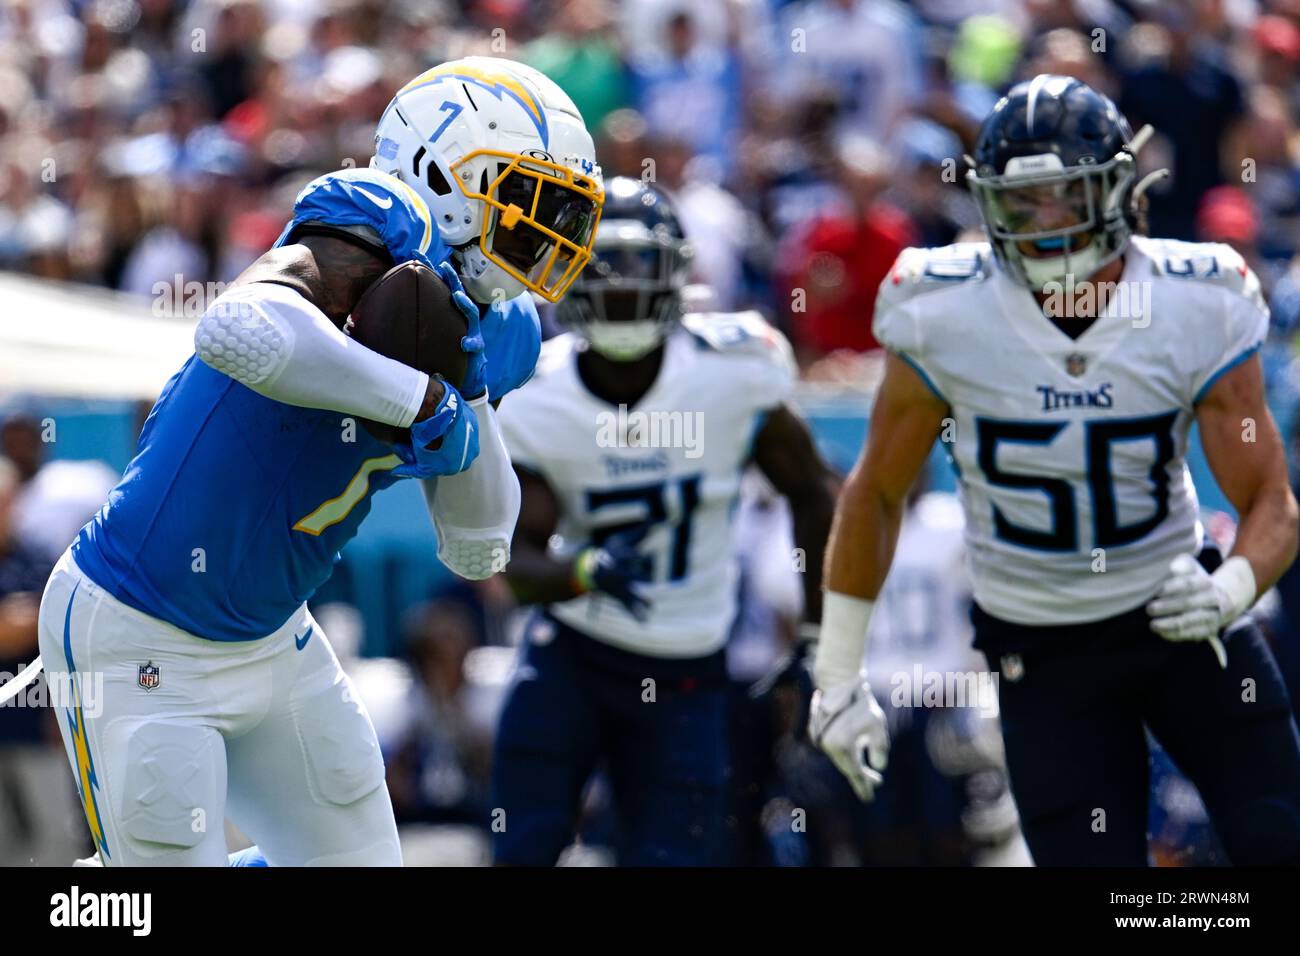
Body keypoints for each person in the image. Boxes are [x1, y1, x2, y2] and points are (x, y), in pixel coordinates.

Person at [36, 56, 604, 867]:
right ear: (443, 174)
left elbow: (480, 544)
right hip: (141, 622)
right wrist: (423, 402)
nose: (545, 231)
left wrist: (469, 393)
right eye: (526, 200)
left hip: (273, 638)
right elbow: (237, 331)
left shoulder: (503, 330)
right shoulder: (374, 225)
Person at [809, 74, 1300, 865]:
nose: (1044, 227)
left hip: (1183, 619)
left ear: (1117, 192)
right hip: (1040, 649)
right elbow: (875, 493)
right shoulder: (942, 309)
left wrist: (1231, 587)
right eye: (1021, 204)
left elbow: (1270, 499)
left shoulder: (1195, 299)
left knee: (1279, 839)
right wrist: (836, 672)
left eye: (1066, 199)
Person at [492, 178, 836, 865]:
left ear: (677, 273)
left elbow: (812, 491)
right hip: (574, 657)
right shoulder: (536, 391)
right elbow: (515, 563)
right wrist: (584, 571)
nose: (620, 287)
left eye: (637, 266)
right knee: (519, 846)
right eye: (602, 266)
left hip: (687, 673)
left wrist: (818, 633)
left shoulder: (732, 369)